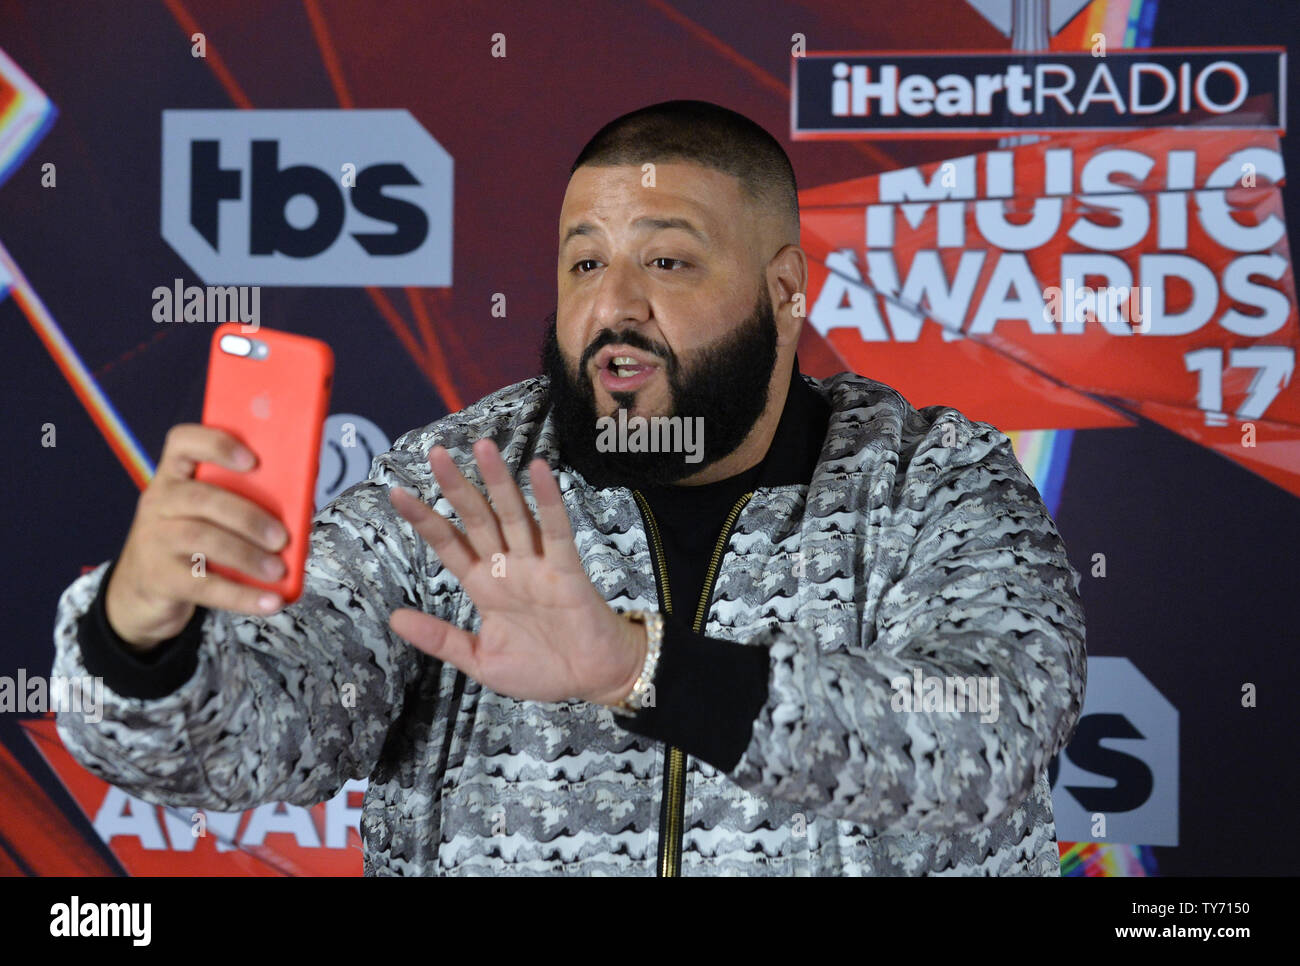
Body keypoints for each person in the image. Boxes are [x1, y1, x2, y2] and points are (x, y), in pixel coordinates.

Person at [52, 99, 1086, 876]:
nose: (614, 308)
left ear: (783, 289)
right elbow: (254, 736)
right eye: (583, 265)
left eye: (668, 263)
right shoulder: (459, 480)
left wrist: (643, 670)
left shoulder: (930, 478)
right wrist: (138, 641)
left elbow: (989, 728)